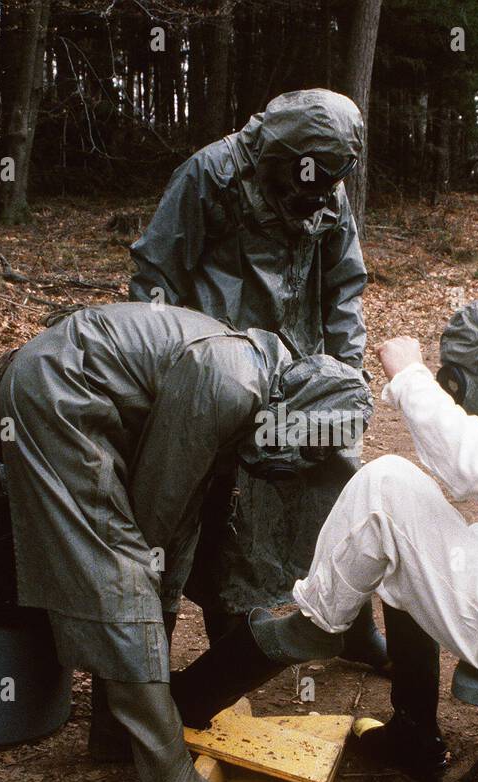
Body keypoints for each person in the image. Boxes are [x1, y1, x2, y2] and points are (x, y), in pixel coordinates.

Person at [169, 292, 478, 782]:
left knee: (386, 483)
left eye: (461, 379)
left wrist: (412, 374)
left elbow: (473, 466)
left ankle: (298, 637)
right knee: (400, 529)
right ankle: (414, 736)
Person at [0, 302, 371, 782]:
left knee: (155, 561)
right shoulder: (232, 382)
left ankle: (118, 732)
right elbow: (155, 515)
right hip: (61, 395)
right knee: (120, 569)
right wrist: (147, 597)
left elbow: (182, 517)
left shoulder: (262, 375)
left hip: (87, 395)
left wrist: (163, 582)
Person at [127, 88, 388, 673]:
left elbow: (344, 288)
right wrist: (163, 374)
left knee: (337, 487)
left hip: (299, 370)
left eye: (328, 179)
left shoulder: (329, 185)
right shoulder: (210, 175)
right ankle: (158, 667)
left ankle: (351, 624)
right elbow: (155, 278)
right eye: (306, 176)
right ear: (280, 154)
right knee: (190, 511)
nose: (316, 190)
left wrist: (346, 376)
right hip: (215, 372)